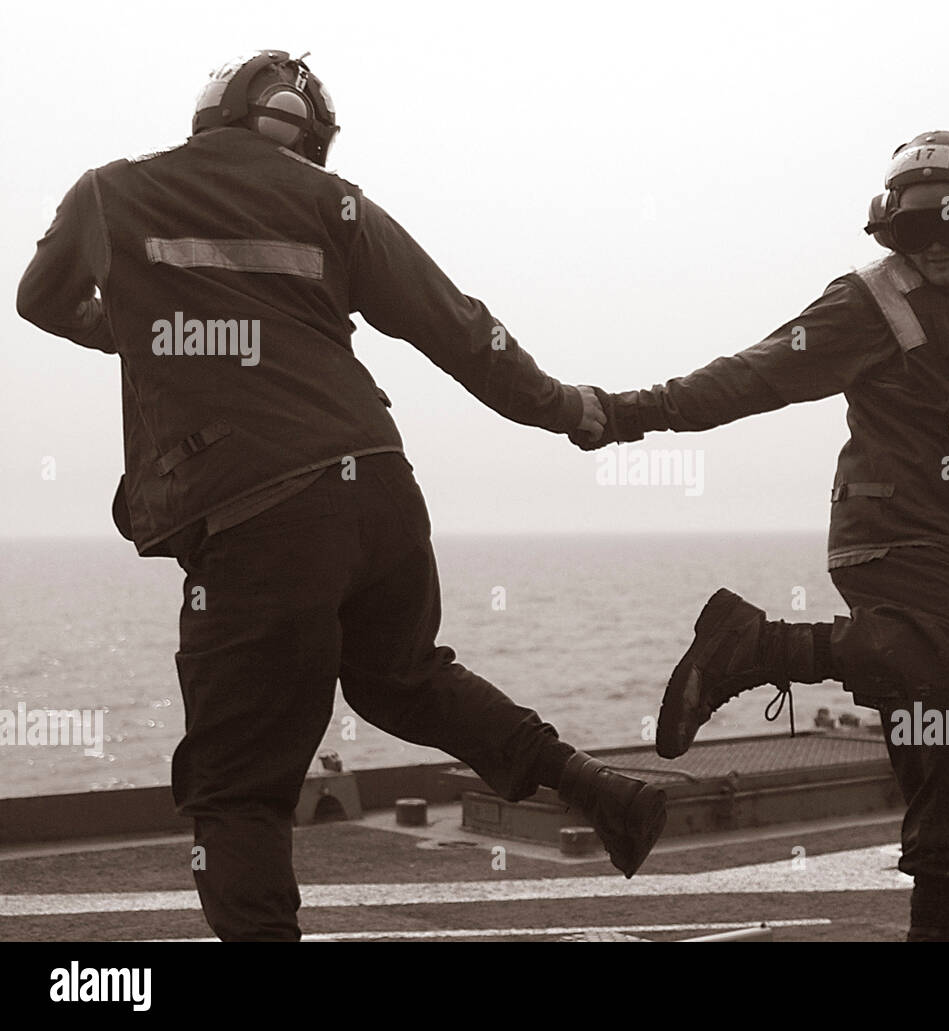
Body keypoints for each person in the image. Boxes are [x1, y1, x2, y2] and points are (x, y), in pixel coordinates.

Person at [16, 50, 666, 942]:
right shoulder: (335, 202)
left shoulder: (107, 192)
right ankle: (598, 788)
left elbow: (40, 299)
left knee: (237, 789)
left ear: (215, 113)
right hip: (378, 490)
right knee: (403, 676)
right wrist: (571, 411)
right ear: (308, 136)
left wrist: (151, 330)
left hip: (257, 516)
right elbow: (461, 328)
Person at [572, 130, 949, 940]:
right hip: (893, 542)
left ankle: (933, 926)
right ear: (893, 234)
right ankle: (760, 645)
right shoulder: (869, 303)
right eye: (921, 231)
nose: (941, 246)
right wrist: (629, 413)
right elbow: (753, 374)